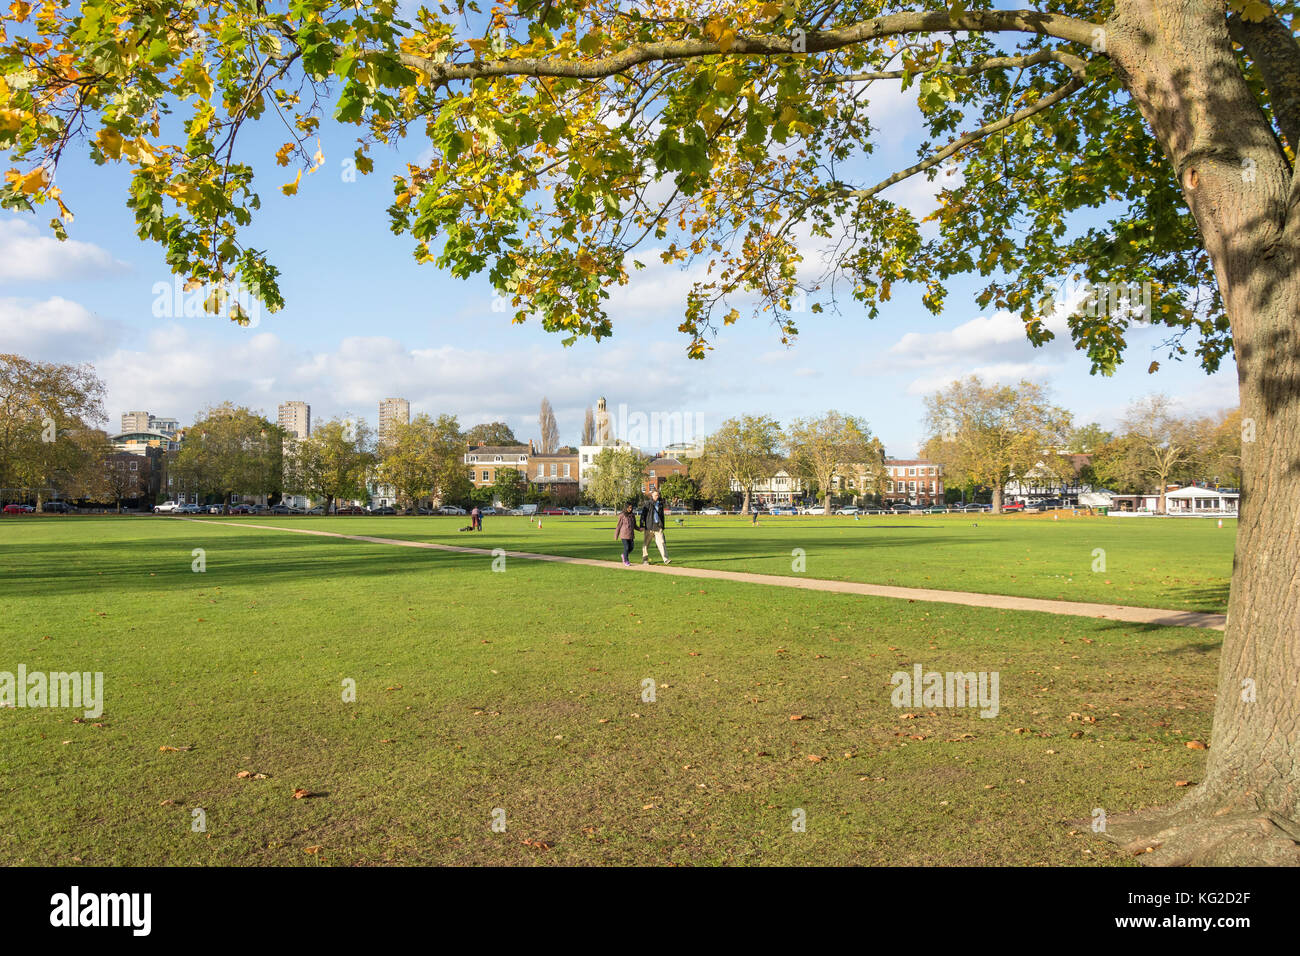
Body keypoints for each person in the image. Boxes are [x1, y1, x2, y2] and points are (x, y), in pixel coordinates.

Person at [638, 489, 670, 564]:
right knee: (646, 544)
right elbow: (643, 515)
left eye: (658, 495)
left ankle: (665, 559)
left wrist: (662, 526)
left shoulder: (660, 504)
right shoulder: (648, 504)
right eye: (655, 495)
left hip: (658, 526)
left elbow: (662, 516)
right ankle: (645, 560)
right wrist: (641, 525)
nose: (657, 496)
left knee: (661, 542)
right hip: (649, 527)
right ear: (652, 495)